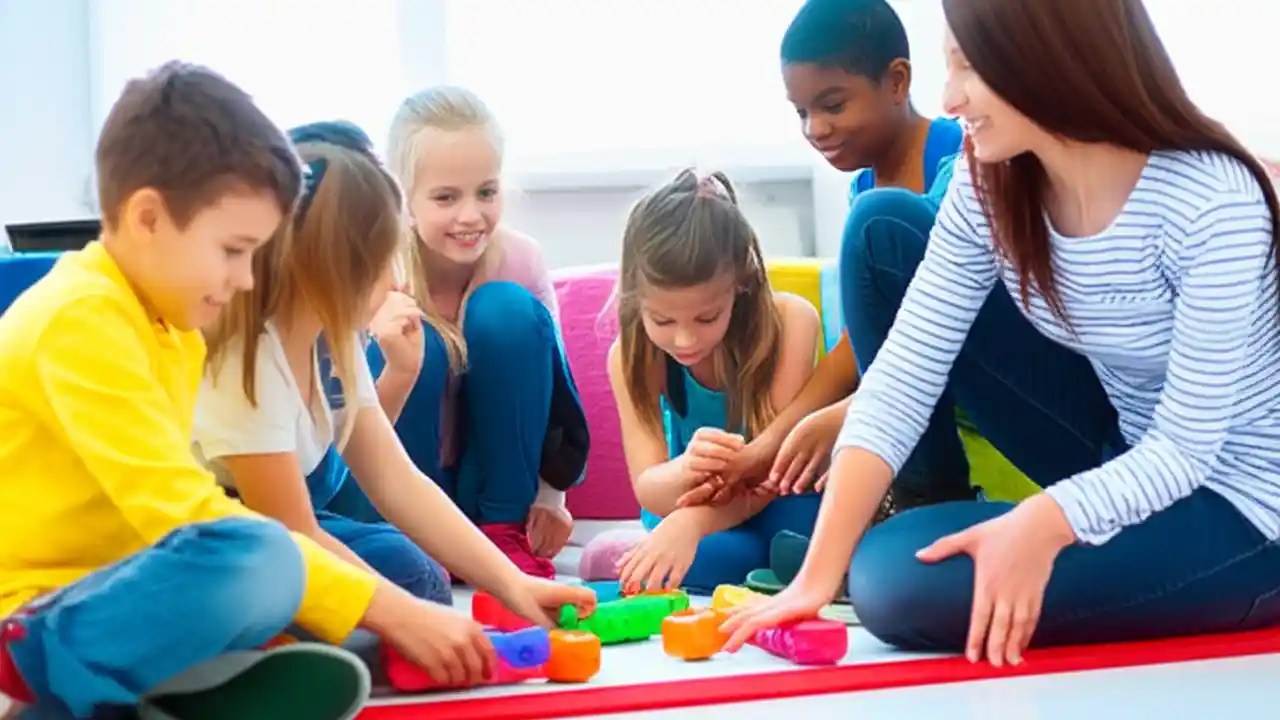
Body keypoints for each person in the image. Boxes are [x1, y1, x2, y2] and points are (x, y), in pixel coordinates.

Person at [0, 63, 592, 718]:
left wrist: (506, 587)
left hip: (128, 587)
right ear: (148, 219)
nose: (248, 279)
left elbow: (388, 481)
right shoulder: (81, 318)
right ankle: (54, 671)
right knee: (264, 549)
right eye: (233, 251)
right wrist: (395, 615)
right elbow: (183, 511)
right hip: (41, 604)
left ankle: (172, 687)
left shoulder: (167, 324)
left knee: (278, 561)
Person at [723, 0, 1280, 668]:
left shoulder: (1211, 200)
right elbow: (903, 377)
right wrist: (816, 576)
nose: (950, 99)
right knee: (883, 561)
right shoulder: (991, 177)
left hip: (1243, 510)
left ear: (1048, 62)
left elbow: (1187, 450)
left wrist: (1041, 522)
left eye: (968, 68)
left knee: (897, 583)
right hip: (1119, 455)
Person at [688, 0, 989, 517]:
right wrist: (767, 446)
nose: (815, 129)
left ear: (896, 82)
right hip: (898, 401)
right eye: (802, 112)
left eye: (833, 105)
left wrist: (855, 414)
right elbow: (859, 347)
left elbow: (953, 326)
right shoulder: (864, 190)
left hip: (967, 383)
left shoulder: (959, 161)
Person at [326, 86, 588, 580]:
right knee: (408, 334)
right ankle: (415, 543)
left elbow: (552, 397)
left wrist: (552, 495)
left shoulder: (520, 261)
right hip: (399, 492)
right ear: (402, 198)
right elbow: (345, 430)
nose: (471, 215)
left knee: (507, 310)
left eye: (486, 192)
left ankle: (502, 537)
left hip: (486, 494)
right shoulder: (372, 274)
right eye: (446, 197)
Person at [193, 120, 451, 604]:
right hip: (219, 546)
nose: (399, 283)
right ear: (336, 271)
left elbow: (396, 480)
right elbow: (294, 535)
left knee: (417, 576)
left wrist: (513, 584)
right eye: (384, 264)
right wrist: (417, 622)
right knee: (408, 597)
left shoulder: (332, 336)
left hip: (287, 528)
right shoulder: (247, 362)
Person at [608, 169, 822, 594]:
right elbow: (649, 486)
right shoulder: (631, 355)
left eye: (707, 317)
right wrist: (685, 472)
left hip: (774, 498)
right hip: (686, 497)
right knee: (686, 559)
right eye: (662, 320)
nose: (685, 339)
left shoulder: (791, 322)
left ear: (740, 281)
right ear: (636, 297)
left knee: (803, 522)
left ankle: (779, 562)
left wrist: (692, 522)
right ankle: (770, 566)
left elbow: (771, 475)